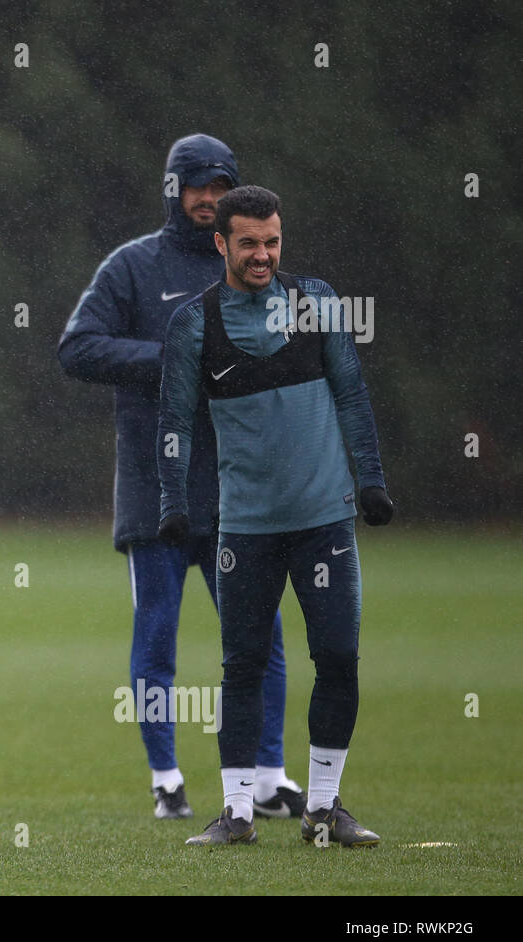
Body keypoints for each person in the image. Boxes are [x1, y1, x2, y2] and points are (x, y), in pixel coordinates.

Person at [58, 135, 303, 820]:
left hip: (240, 488)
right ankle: (166, 780)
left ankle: (266, 777)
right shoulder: (133, 267)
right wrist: (170, 357)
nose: (209, 198)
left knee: (259, 637)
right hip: (155, 486)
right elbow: (76, 347)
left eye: (220, 185)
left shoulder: (256, 271)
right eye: (196, 186)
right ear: (173, 190)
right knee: (157, 634)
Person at [156, 185, 393, 847]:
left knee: (338, 657)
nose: (263, 255)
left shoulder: (316, 301)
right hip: (247, 527)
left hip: (324, 520)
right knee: (244, 666)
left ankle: (323, 809)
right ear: (221, 244)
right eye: (249, 243)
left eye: (272, 242)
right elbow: (173, 424)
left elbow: (351, 394)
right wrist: (174, 501)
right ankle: (236, 816)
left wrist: (370, 480)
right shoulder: (195, 323)